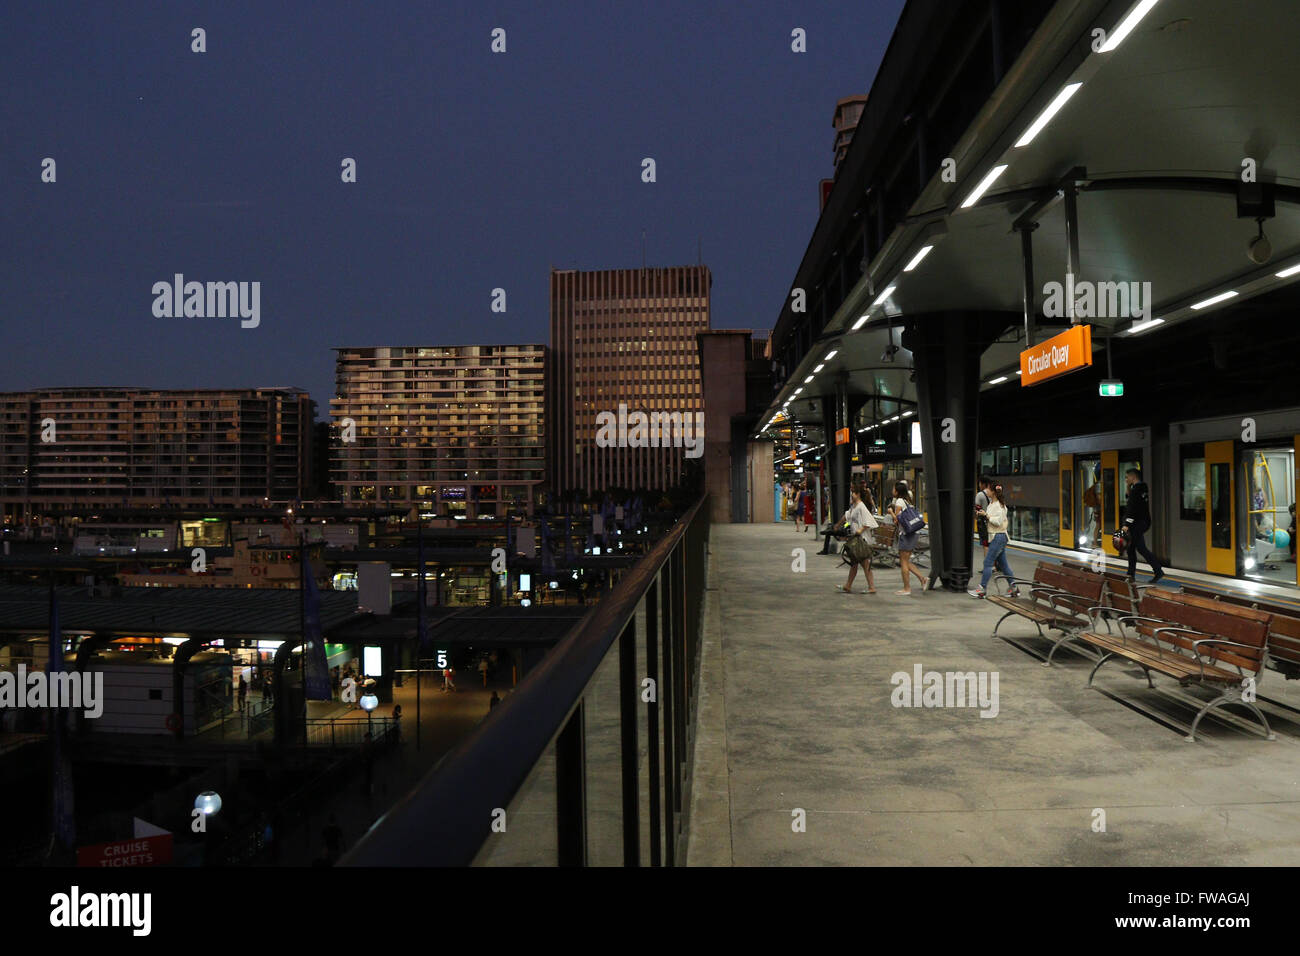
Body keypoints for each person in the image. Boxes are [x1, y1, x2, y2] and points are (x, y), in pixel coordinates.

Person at [969, 483, 1018, 598]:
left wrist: (986, 515)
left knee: (987, 562)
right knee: (1004, 565)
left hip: (999, 536)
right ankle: (1014, 588)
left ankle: (982, 589)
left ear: (994, 492)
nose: (986, 491)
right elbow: (990, 518)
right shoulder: (992, 503)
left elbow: (998, 522)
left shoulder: (1000, 505)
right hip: (996, 536)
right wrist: (982, 514)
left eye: (988, 489)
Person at [1121, 468, 1164, 583]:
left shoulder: (1136, 490)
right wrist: (1128, 487)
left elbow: (1132, 508)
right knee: (1140, 548)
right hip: (1143, 522)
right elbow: (1132, 500)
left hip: (1137, 523)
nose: (1126, 480)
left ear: (1133, 477)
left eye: (1127, 477)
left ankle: (1130, 575)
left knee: (1131, 549)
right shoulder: (1142, 487)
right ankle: (1158, 571)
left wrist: (1126, 524)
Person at [835, 485, 878, 595]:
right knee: (854, 563)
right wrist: (839, 525)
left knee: (864, 564)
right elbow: (847, 517)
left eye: (853, 492)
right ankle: (848, 585)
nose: (851, 494)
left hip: (862, 540)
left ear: (858, 494)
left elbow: (869, 522)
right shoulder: (854, 507)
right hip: (856, 539)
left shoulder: (861, 507)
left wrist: (860, 529)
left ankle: (871, 587)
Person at [889, 480, 928, 595]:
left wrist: (891, 512)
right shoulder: (907, 501)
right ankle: (922, 579)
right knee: (905, 561)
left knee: (903, 563)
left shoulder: (899, 502)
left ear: (897, 491)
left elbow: (896, 521)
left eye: (893, 489)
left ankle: (907, 588)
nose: (892, 490)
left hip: (906, 535)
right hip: (913, 533)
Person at [975, 475, 992, 554]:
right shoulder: (993, 494)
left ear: (983, 484)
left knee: (986, 545)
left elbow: (977, 510)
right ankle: (994, 565)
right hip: (992, 522)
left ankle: (988, 564)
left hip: (983, 524)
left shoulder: (980, 495)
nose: (979, 485)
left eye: (979, 483)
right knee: (992, 545)